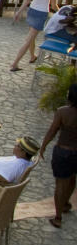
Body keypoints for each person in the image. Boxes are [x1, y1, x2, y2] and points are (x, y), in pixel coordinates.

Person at [39, 84, 77, 229]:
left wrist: (43, 146)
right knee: (72, 178)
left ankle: (58, 216)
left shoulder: (62, 112)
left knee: (60, 184)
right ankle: (66, 203)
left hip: (63, 152)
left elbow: (52, 131)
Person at [10, 0, 57, 71]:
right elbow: (53, 6)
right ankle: (15, 63)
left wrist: (19, 12)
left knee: (31, 36)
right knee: (29, 39)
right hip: (41, 13)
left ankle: (32, 56)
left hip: (32, 10)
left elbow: (27, 0)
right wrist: (60, 12)